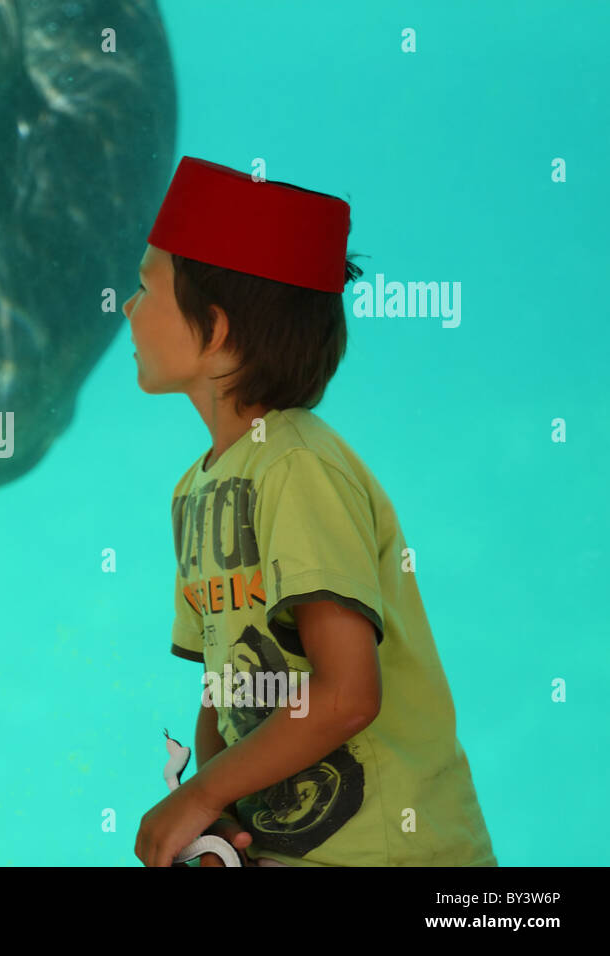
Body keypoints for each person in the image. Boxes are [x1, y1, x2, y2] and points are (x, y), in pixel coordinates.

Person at [125, 157, 496, 867]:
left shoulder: (296, 466)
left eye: (145, 288)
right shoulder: (196, 490)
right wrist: (222, 821)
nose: (127, 309)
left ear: (217, 330)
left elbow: (348, 693)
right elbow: (224, 692)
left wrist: (194, 799)